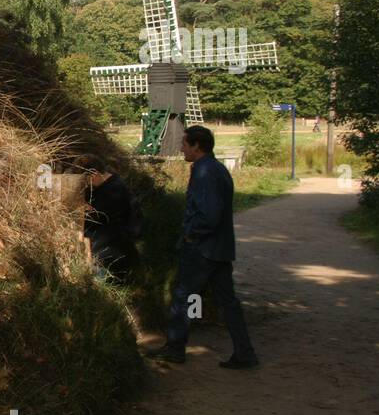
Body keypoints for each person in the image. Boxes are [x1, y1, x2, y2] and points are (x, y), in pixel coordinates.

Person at [148, 126, 258, 369]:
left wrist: (191, 235)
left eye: (184, 144)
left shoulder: (204, 171)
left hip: (202, 248)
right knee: (227, 301)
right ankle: (244, 351)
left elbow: (209, 214)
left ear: (197, 146)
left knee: (184, 295)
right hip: (219, 248)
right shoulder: (217, 168)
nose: (181, 148)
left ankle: (176, 348)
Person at [81, 155, 137, 283]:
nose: (85, 185)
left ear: (94, 174)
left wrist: (85, 211)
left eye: (85, 180)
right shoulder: (106, 186)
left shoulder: (114, 191)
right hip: (108, 247)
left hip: (110, 252)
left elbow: (98, 217)